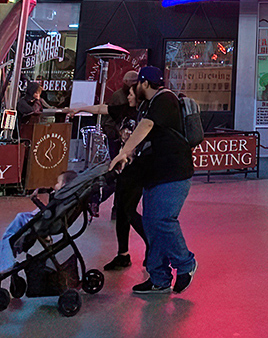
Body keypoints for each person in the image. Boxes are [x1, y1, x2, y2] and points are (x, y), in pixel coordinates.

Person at [109, 66, 196, 295]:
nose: (133, 89)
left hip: (173, 172)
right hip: (155, 173)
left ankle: (185, 263)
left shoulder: (164, 99)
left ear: (145, 84)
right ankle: (158, 277)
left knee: (162, 221)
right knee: (150, 224)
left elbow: (147, 126)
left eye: (136, 84)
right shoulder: (146, 105)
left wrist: (124, 151)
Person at [68, 83, 147, 271]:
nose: (127, 97)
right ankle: (123, 254)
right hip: (122, 168)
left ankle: (151, 245)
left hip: (137, 169)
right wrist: (80, 107)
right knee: (122, 210)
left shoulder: (145, 115)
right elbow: (102, 108)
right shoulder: (124, 110)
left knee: (127, 210)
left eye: (130, 94)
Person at [0, 170, 78, 277]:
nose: (55, 185)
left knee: (10, 237)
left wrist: (35, 200)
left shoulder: (60, 197)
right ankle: (7, 259)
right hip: (46, 219)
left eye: (58, 182)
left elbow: (47, 213)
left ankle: (5, 264)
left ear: (64, 185)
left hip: (40, 220)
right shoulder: (66, 198)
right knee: (12, 237)